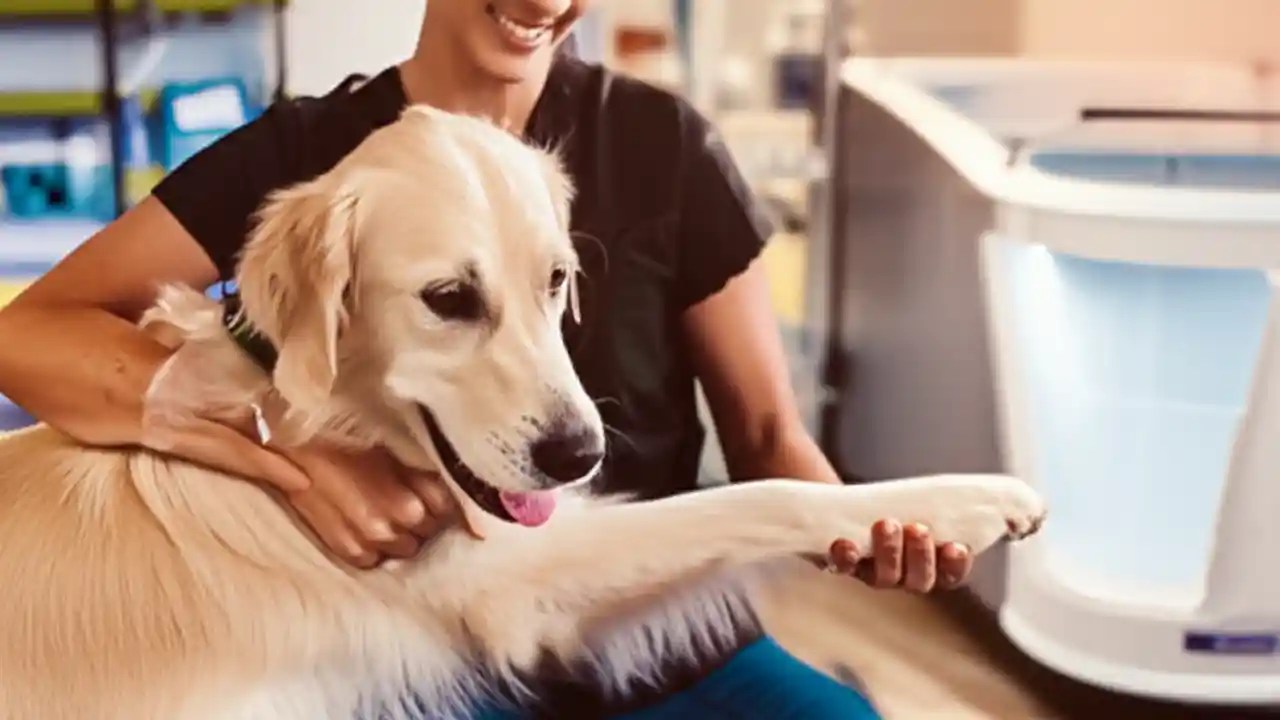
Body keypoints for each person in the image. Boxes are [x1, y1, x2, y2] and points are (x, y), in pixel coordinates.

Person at [0, 1, 974, 717]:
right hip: (426, 656)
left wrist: (861, 530)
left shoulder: (661, 144)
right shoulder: (297, 159)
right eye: (450, 300)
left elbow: (764, 430)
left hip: (653, 612)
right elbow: (28, 334)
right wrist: (282, 447)